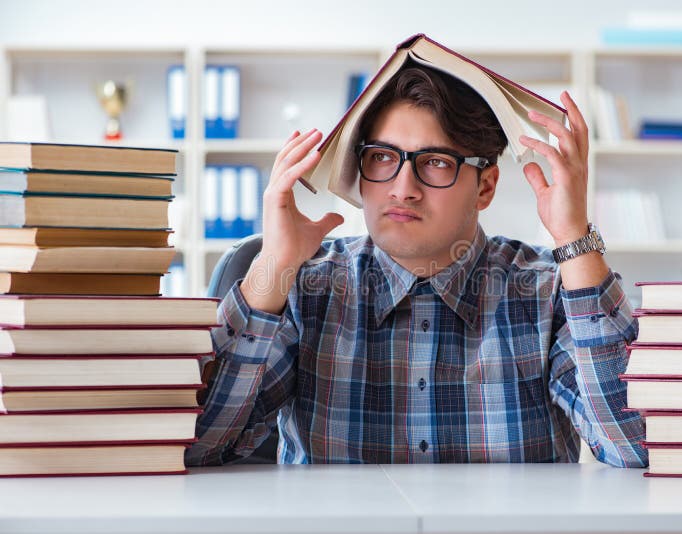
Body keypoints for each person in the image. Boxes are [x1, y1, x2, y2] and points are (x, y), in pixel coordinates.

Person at [186, 65, 647, 467]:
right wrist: (275, 264)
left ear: (485, 186)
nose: (402, 188)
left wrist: (574, 239)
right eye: (382, 157)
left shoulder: (546, 290)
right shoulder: (306, 286)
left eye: (436, 163)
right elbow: (201, 446)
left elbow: (636, 448)